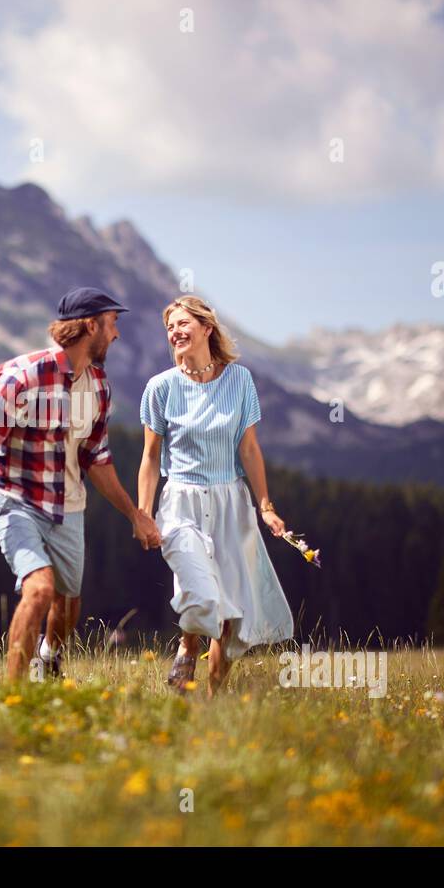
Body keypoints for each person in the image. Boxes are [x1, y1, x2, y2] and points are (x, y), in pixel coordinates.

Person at [0, 287, 162, 681]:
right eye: (112, 324)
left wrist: (135, 514)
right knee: (39, 589)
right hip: (14, 498)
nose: (116, 334)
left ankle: (46, 661)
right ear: (90, 325)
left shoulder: (99, 386)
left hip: (69, 506)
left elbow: (96, 459)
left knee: (67, 605)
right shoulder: (21, 377)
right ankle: (15, 696)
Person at [137, 295, 294, 695]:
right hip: (181, 503)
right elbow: (151, 458)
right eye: (169, 327)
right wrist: (143, 513)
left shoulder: (240, 381)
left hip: (231, 504)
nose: (174, 332)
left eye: (182, 323)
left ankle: (209, 700)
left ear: (207, 328)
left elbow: (249, 450)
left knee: (228, 615)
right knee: (201, 593)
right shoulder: (160, 388)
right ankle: (188, 645)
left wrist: (266, 507)